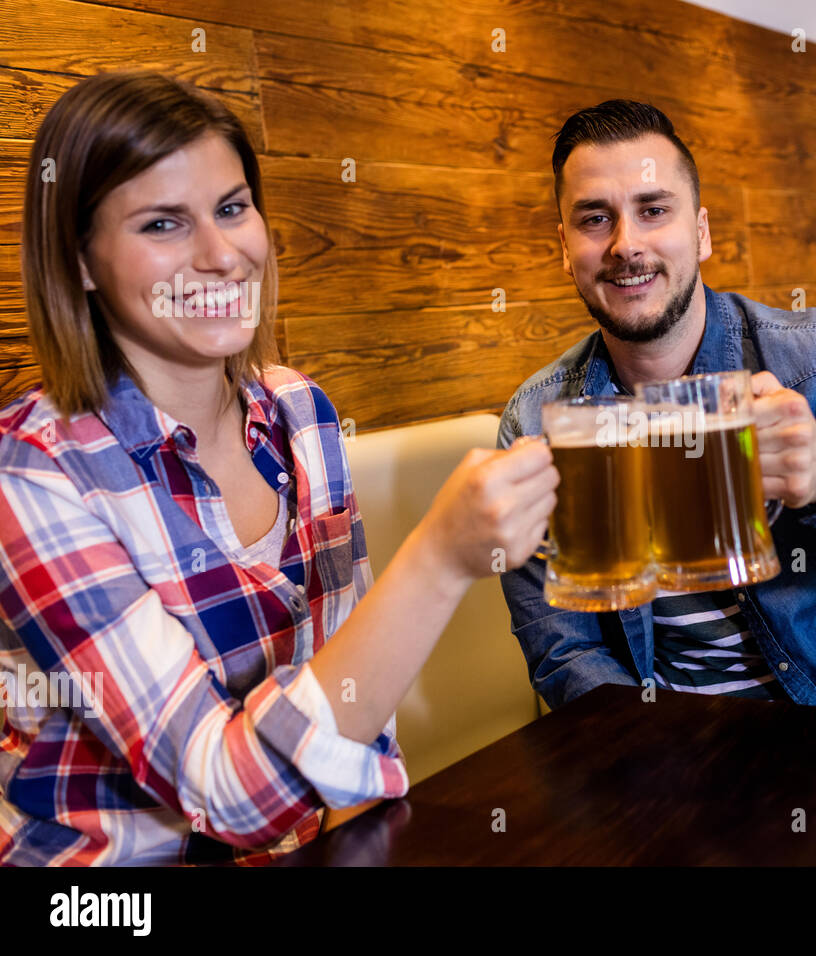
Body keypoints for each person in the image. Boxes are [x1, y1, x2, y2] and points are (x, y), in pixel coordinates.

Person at [0, 71, 557, 865]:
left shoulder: (302, 412)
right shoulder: (34, 473)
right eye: (163, 223)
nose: (222, 255)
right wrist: (439, 558)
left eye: (232, 209)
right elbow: (226, 796)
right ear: (81, 261)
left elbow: (351, 691)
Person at [498, 100, 816, 714]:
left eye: (653, 210)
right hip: (659, 757)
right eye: (595, 219)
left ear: (700, 231)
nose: (625, 244)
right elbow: (566, 655)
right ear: (565, 247)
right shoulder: (536, 423)